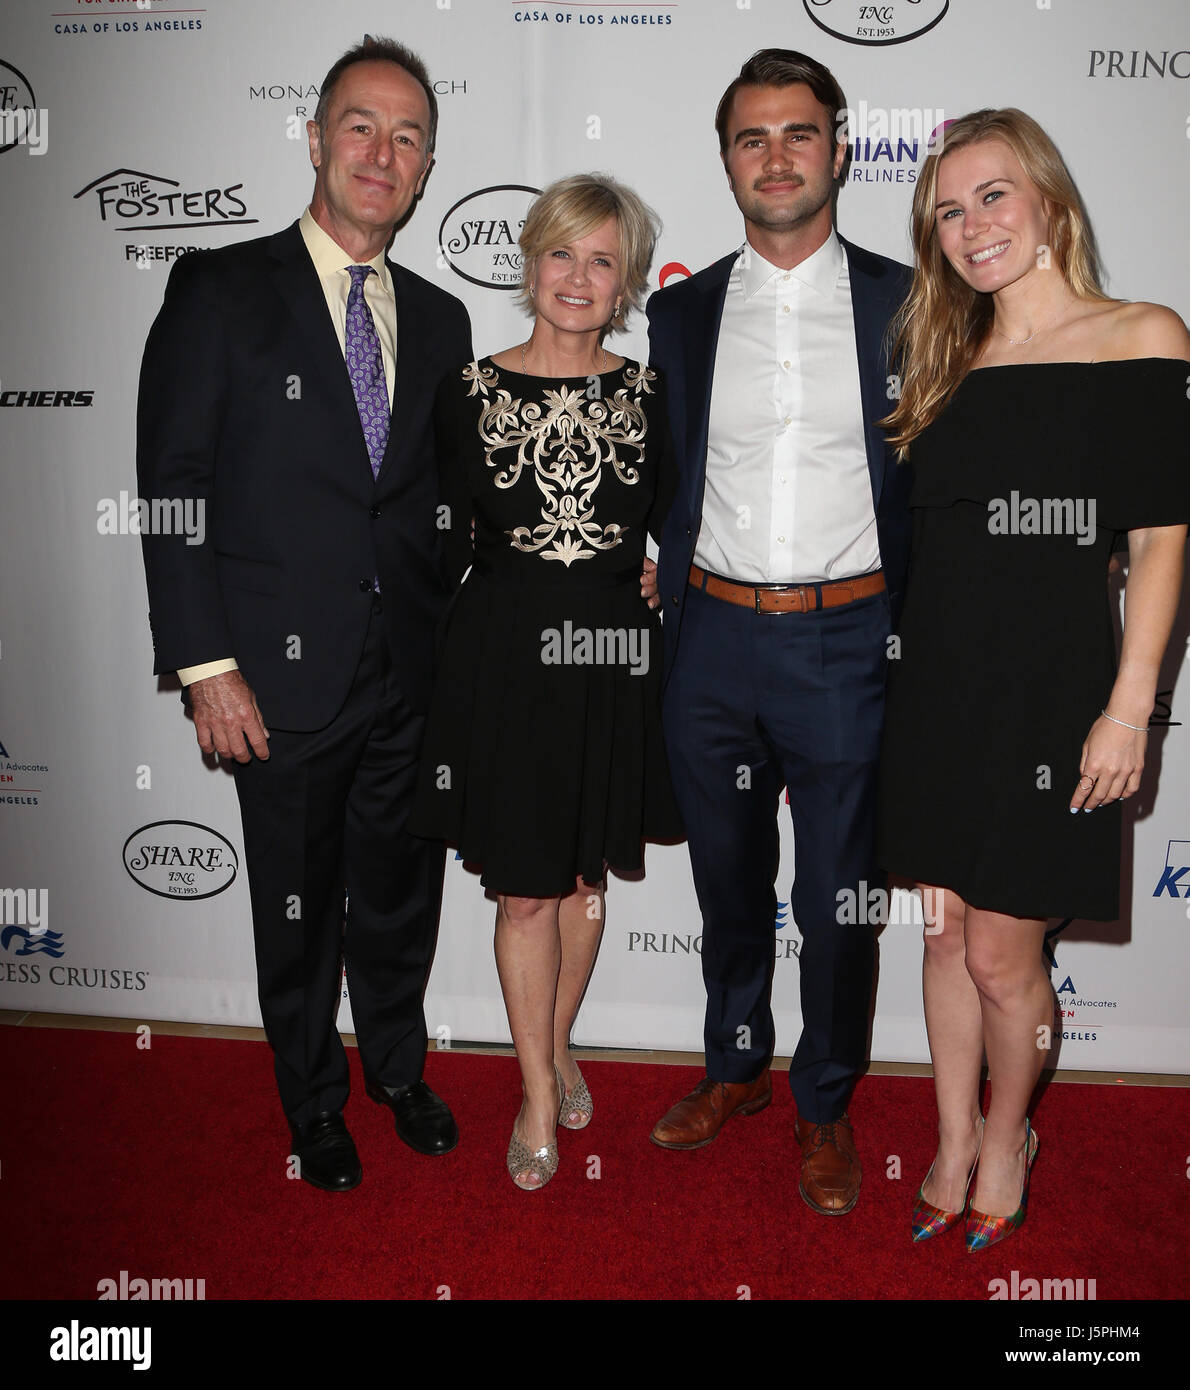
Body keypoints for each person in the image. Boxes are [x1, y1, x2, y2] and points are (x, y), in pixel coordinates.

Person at [136, 37, 473, 1192]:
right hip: (272, 674)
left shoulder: (439, 320)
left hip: (407, 677)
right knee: (294, 902)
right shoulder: (222, 289)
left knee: (396, 893)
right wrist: (202, 663)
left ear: (427, 169)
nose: (383, 152)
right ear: (316, 138)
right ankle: (311, 1100)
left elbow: (444, 503)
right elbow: (173, 486)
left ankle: (395, 1067)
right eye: (361, 126)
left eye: (408, 136)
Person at [877, 108, 1190, 1250]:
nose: (970, 226)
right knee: (939, 934)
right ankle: (950, 1134)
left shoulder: (1139, 335)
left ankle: (1008, 1131)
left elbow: (1160, 538)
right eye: (948, 211)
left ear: (1048, 202)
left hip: (1053, 690)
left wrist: (1129, 705)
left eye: (992, 196)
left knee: (1006, 953)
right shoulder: (943, 358)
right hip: (935, 688)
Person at [644, 49, 912, 1216]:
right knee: (727, 879)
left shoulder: (912, 301)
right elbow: (652, 465)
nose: (775, 157)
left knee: (837, 894)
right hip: (710, 634)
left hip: (849, 639)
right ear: (726, 160)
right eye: (750, 138)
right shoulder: (678, 312)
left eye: (797, 133)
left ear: (839, 148)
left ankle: (822, 1102)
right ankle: (733, 1065)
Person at [410, 173, 680, 1191]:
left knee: (580, 882)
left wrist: (663, 573)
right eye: (561, 254)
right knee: (525, 892)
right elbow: (443, 538)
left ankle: (556, 1043)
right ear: (528, 263)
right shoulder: (467, 390)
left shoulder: (650, 393)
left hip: (611, 656)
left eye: (601, 259)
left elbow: (682, 521)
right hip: (507, 658)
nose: (578, 276)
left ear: (626, 282)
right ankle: (533, 1089)